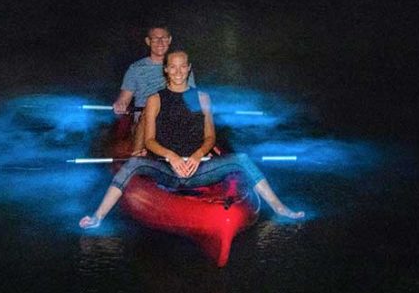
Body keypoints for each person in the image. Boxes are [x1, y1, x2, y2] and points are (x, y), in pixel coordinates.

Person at [80, 50, 303, 229]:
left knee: (242, 159)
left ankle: (280, 208)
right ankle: (98, 216)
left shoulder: (203, 98)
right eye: (172, 67)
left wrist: (196, 157)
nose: (178, 71)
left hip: (198, 170)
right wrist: (173, 157)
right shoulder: (155, 99)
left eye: (182, 66)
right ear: (166, 70)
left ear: (188, 68)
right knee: (134, 163)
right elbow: (149, 141)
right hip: (167, 171)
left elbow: (210, 137)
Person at [112, 25, 193, 154]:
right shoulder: (136, 68)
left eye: (164, 38)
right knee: (148, 112)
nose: (160, 42)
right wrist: (120, 105)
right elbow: (123, 100)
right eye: (155, 39)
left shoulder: (181, 68)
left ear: (170, 40)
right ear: (148, 41)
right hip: (144, 120)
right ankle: (137, 158)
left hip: (173, 117)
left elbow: (191, 99)